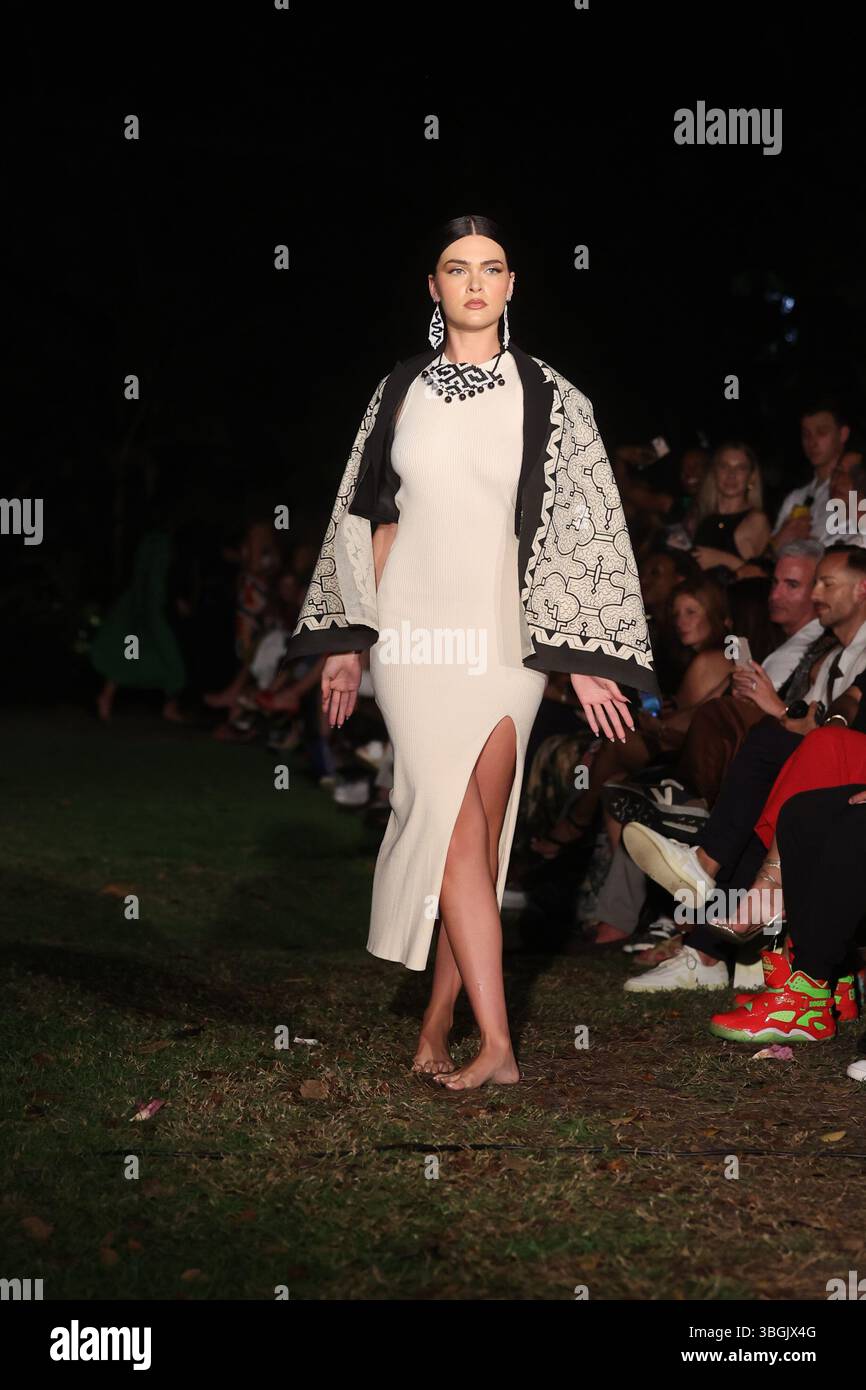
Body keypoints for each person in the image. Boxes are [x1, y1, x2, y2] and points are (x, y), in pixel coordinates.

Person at [280, 215, 658, 1090]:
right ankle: (499, 1045)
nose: (475, 283)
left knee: (479, 840)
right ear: (434, 287)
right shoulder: (398, 390)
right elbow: (367, 521)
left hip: (504, 645)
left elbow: (582, 531)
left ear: (512, 285)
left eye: (491, 268)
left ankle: (439, 1019)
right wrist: (349, 641)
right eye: (457, 269)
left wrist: (580, 655)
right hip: (413, 637)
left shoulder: (551, 396)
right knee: (450, 825)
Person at [622, 548, 866, 983]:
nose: (816, 593)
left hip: (841, 767)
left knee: (771, 754)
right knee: (769, 792)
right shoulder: (831, 657)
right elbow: (840, 706)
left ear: (862, 589)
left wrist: (795, 716)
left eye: (825, 583)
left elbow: (831, 721)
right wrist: (812, 720)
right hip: (824, 762)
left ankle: (706, 873)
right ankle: (709, 934)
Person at [530, 577, 730, 861]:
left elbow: (690, 729)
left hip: (688, 759)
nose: (681, 622)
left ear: (715, 614)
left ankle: (574, 825)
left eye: (691, 612)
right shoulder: (699, 659)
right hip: (677, 750)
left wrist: (655, 724)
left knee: (615, 742)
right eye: (676, 614)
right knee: (612, 772)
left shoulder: (708, 662)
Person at [771, 398, 851, 548]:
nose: (812, 442)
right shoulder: (796, 497)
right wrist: (779, 541)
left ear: (843, 434)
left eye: (821, 432)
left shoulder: (854, 492)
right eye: (806, 434)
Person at [691, 441, 771, 579]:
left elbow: (758, 577)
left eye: (740, 468)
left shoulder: (755, 520)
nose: (731, 474)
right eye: (724, 466)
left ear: (751, 477)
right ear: (714, 472)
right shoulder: (705, 516)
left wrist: (722, 559)